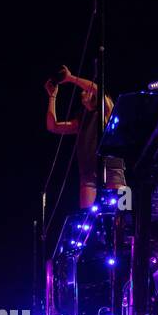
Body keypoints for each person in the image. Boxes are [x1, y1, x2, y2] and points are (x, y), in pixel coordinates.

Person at [45, 66, 125, 209]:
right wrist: (52, 96)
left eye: (86, 90)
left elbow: (97, 88)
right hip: (88, 173)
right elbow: (53, 127)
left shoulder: (107, 110)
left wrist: (70, 78)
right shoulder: (81, 118)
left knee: (123, 212)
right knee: (88, 217)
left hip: (113, 168)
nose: (83, 91)